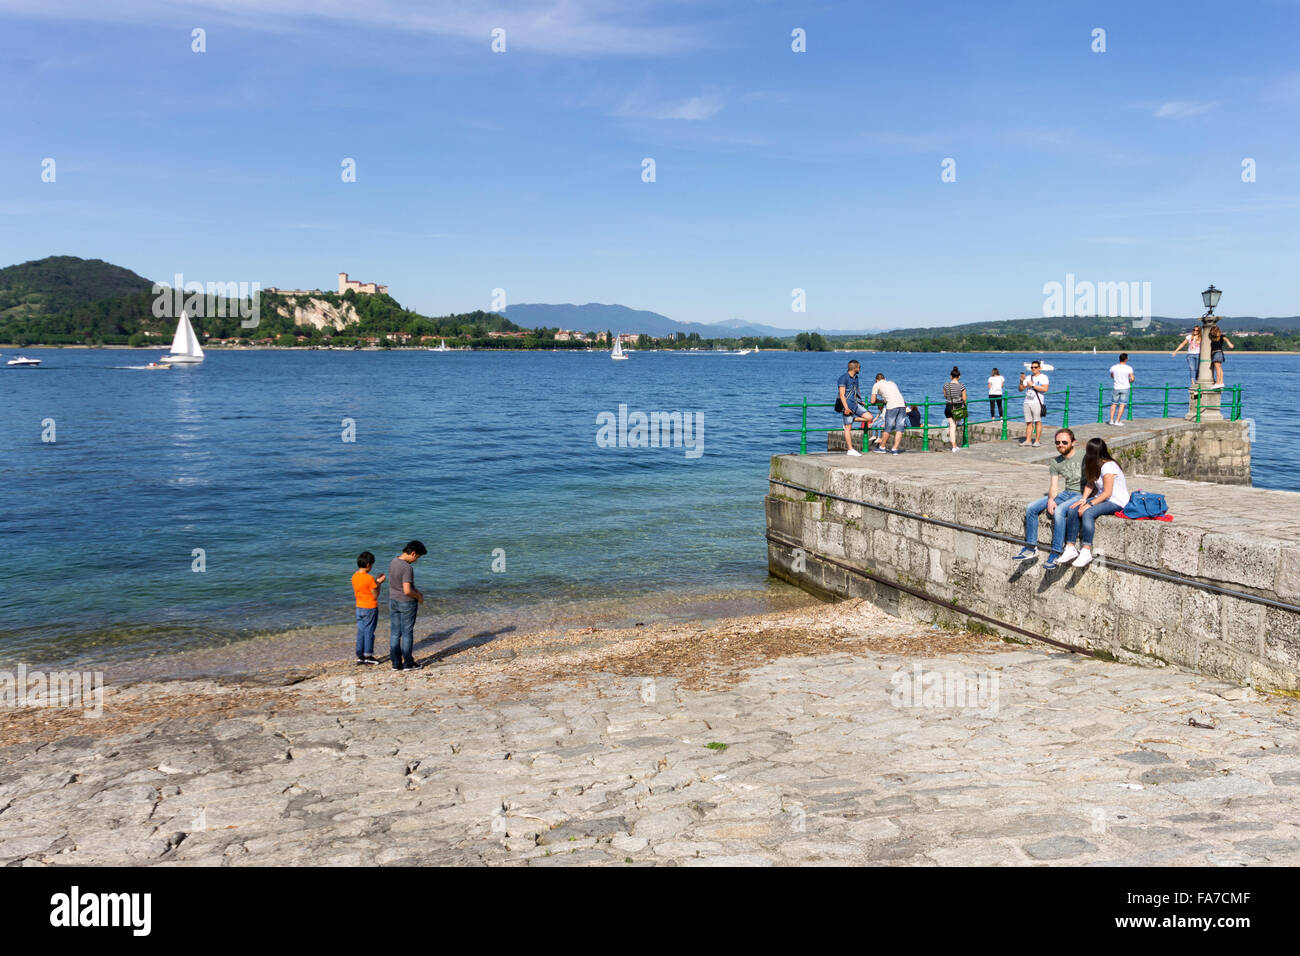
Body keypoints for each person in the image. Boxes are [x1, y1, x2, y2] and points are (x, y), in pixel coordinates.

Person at [1012, 428, 1082, 570]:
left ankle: (1056, 551)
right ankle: (1031, 547)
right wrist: (1051, 499)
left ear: (1073, 442)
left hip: (1081, 494)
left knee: (1059, 511)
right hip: (1067, 492)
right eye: (1057, 442)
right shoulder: (1055, 462)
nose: (1060, 445)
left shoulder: (1083, 455)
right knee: (1031, 508)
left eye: (1064, 442)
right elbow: (1054, 485)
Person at [1060, 437, 1129, 568]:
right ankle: (1070, 547)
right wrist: (1083, 500)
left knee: (1088, 513)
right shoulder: (1096, 465)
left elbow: (1108, 493)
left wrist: (1089, 505)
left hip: (1116, 501)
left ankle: (1086, 550)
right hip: (1102, 497)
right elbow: (1090, 483)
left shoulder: (1108, 466)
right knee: (1073, 508)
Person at [387, 540, 427, 670]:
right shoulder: (407, 567)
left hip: (393, 600)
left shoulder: (393, 561)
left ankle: (395, 664)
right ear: (413, 554)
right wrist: (418, 596)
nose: (416, 560)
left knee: (394, 633)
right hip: (406, 603)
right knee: (407, 633)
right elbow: (407, 590)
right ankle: (408, 663)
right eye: (418, 557)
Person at [351, 551, 386, 664]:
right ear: (368, 565)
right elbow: (375, 595)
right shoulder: (369, 578)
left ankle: (360, 655)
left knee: (361, 631)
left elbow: (365, 589)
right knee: (369, 632)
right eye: (371, 565)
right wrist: (379, 583)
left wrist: (375, 582)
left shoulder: (354, 576)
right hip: (370, 607)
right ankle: (368, 655)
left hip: (359, 607)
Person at [836, 360, 874, 456]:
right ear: (855, 368)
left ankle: (852, 419)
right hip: (847, 406)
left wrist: (860, 400)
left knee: (869, 417)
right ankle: (850, 449)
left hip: (856, 404)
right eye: (859, 367)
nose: (860, 368)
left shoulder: (856, 378)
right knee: (848, 428)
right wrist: (846, 408)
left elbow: (856, 390)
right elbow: (841, 394)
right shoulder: (843, 378)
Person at [870, 372, 908, 454]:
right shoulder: (892, 383)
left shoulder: (876, 385)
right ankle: (895, 449)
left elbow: (872, 401)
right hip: (902, 405)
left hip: (892, 406)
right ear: (884, 378)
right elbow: (892, 395)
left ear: (876, 380)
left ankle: (882, 447)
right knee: (900, 428)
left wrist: (877, 401)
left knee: (888, 427)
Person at [1018, 360, 1048, 446]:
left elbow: (1045, 389)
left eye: (1035, 367)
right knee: (1028, 422)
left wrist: (1033, 385)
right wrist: (1021, 381)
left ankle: (1037, 441)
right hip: (1027, 401)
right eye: (1032, 367)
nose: (1033, 369)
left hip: (1037, 402)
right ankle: (1028, 440)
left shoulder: (1043, 377)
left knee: (1037, 421)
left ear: (1039, 368)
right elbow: (1020, 389)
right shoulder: (1028, 377)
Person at [942, 367, 967, 452]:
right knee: (953, 426)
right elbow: (964, 398)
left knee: (952, 426)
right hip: (957, 407)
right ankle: (954, 446)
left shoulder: (946, 385)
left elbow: (945, 396)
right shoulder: (961, 386)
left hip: (948, 407)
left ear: (951, 376)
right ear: (959, 376)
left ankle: (954, 446)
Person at [1107, 353, 1135, 426]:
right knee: (1122, 405)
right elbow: (1132, 378)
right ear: (1126, 359)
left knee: (1113, 404)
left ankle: (1111, 420)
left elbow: (1112, 375)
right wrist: (1128, 381)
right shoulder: (1128, 368)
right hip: (1125, 388)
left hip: (1116, 387)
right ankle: (1117, 421)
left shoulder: (1113, 367)